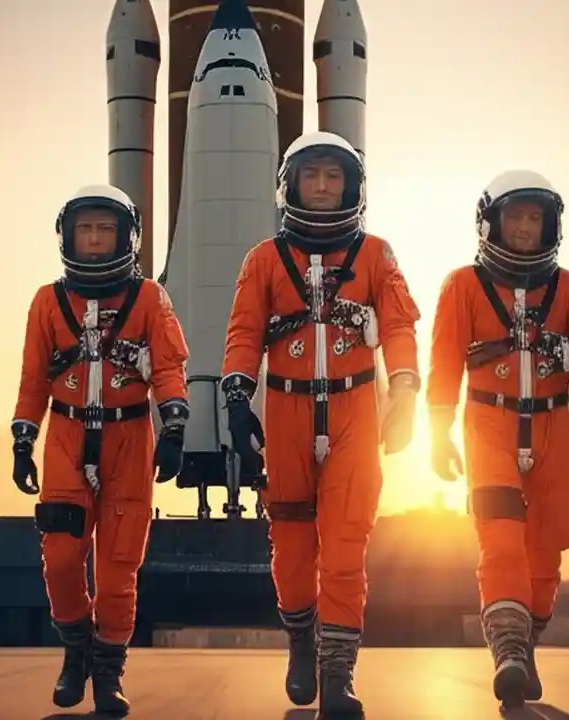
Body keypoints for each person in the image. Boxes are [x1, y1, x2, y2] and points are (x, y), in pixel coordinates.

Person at [221, 130, 422, 717]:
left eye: (335, 176)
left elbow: (399, 325)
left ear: (353, 186)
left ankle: (338, 671)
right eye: (312, 176)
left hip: (355, 409)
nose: (324, 187)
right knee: (290, 546)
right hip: (285, 412)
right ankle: (300, 638)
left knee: (345, 543)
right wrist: (237, 400)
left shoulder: (376, 255)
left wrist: (405, 389)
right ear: (291, 186)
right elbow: (243, 333)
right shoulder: (263, 260)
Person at [427, 170, 569, 711]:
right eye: (515, 218)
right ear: (491, 223)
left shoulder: (567, 288)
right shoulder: (463, 285)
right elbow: (444, 361)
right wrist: (437, 431)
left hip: (554, 426)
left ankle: (527, 644)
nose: (527, 228)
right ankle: (507, 649)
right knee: (502, 539)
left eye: (535, 218)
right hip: (489, 424)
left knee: (546, 550)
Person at [10, 184, 189, 718]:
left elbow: (168, 367)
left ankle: (108, 671)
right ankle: (75, 648)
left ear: (126, 238)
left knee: (117, 570)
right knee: (61, 558)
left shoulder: (149, 300)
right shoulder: (48, 301)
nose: (93, 239)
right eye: (85, 229)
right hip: (65, 437)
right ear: (67, 236)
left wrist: (174, 428)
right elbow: (32, 378)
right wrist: (22, 440)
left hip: (129, 440)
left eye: (105, 230)